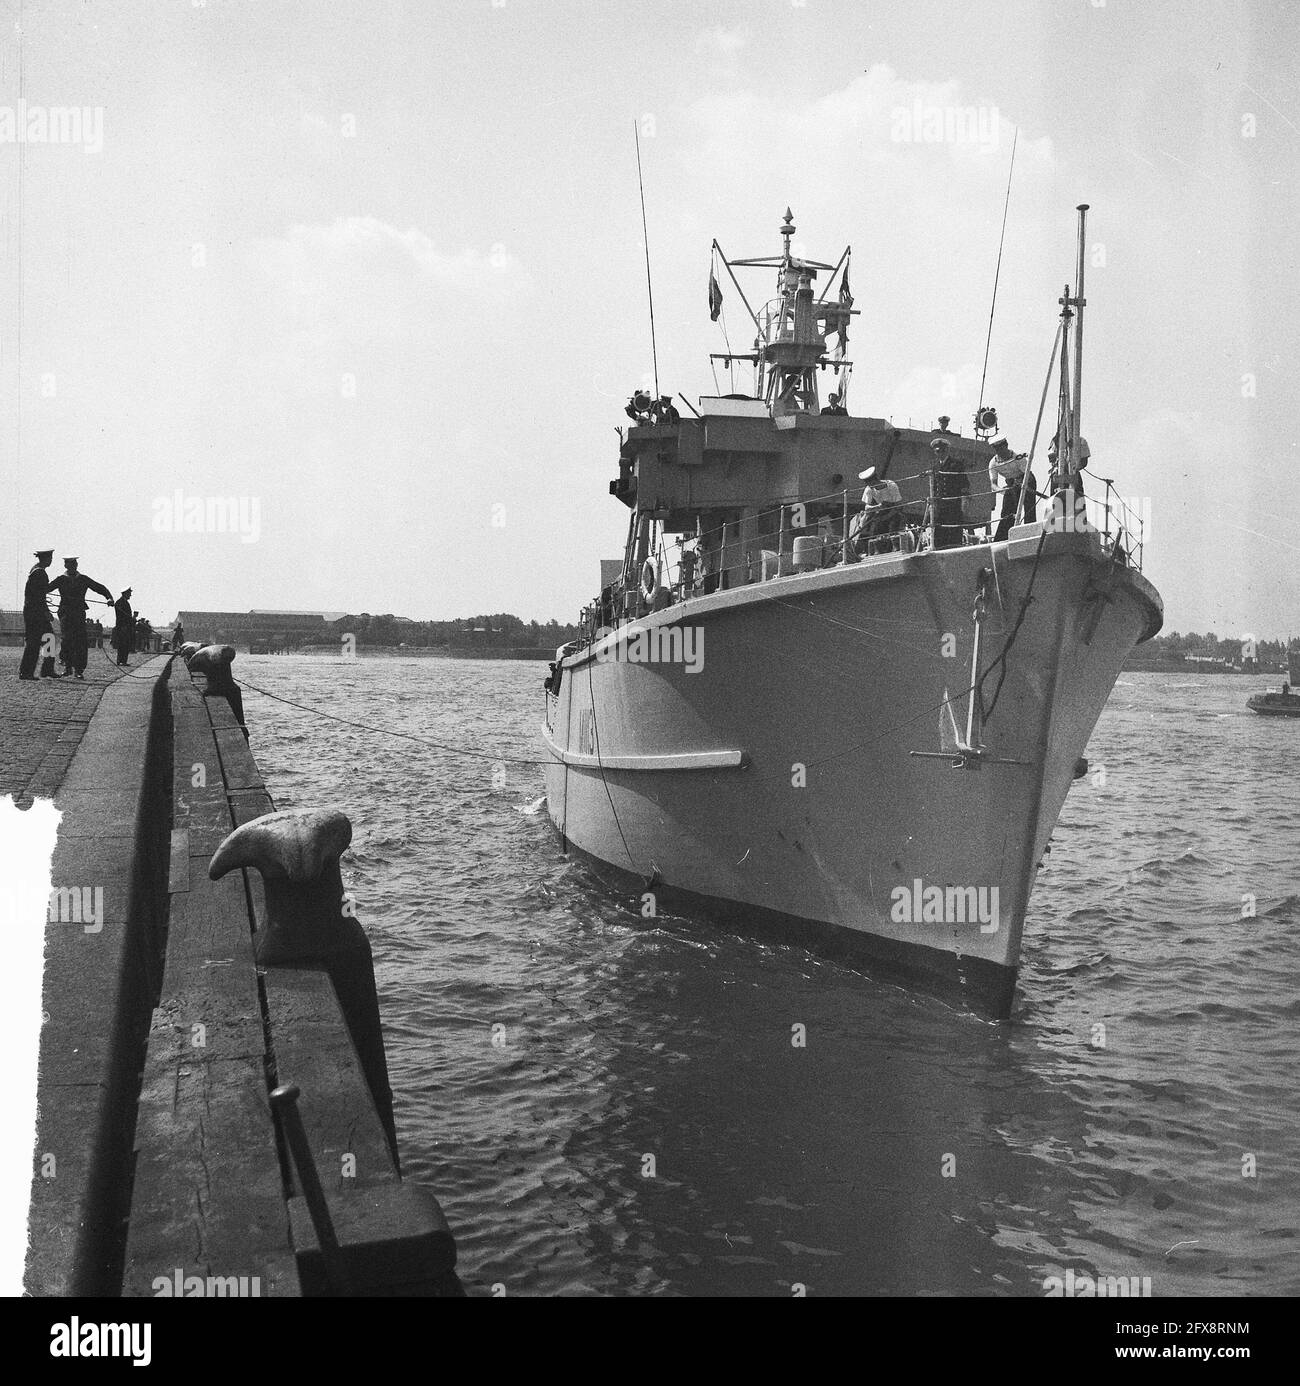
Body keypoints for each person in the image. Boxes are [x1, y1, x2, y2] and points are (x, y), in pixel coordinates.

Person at [47, 557, 113, 680]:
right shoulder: (61, 579)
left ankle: (78, 670)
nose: (74, 566)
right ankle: (67, 667)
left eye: (75, 563)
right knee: (66, 640)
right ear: (66, 566)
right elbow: (46, 589)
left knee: (80, 642)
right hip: (65, 613)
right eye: (71, 564)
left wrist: (108, 597)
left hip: (79, 613)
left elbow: (99, 587)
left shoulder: (83, 579)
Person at [987, 437, 1037, 541]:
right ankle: (1002, 538)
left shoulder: (1017, 457)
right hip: (1010, 485)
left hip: (1027, 480)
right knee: (1007, 512)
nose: (1000, 452)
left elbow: (1029, 476)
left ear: (1006, 446)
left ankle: (1030, 535)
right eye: (997, 450)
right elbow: (993, 484)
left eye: (1001, 449)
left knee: (1029, 509)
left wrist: (1021, 483)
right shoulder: (993, 463)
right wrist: (1003, 491)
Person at [19, 549, 56, 681]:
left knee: (49, 638)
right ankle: (26, 672)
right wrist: (46, 612)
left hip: (32, 610)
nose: (51, 560)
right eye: (50, 558)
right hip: (35, 612)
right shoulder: (40, 573)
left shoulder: (35, 570)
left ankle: (47, 670)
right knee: (35, 642)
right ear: (46, 559)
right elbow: (39, 596)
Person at [851, 466, 904, 554]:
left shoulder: (891, 486)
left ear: (875, 479)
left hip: (894, 512)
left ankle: (896, 548)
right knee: (875, 531)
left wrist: (886, 516)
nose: (869, 484)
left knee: (893, 528)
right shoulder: (869, 489)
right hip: (881, 512)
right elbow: (867, 508)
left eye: (870, 481)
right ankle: (877, 552)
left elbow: (899, 505)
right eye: (868, 482)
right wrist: (878, 507)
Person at [930, 437, 968, 550]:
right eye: (937, 451)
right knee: (940, 533)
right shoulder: (935, 467)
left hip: (954, 503)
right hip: (941, 504)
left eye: (942, 451)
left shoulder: (956, 465)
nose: (940, 453)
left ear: (947, 450)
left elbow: (964, 483)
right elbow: (935, 485)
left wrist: (964, 501)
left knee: (954, 532)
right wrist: (934, 502)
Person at [113, 588, 135, 666]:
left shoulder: (124, 602)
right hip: (122, 626)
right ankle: (121, 661)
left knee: (125, 644)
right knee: (123, 644)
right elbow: (122, 616)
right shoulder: (120, 602)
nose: (130, 595)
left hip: (126, 626)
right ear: (125, 593)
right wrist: (131, 618)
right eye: (129, 593)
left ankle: (123, 661)